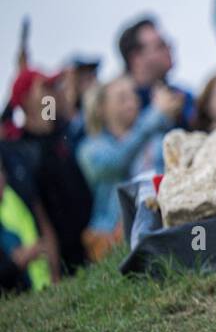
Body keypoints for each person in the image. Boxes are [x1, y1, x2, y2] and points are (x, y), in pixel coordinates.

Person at [77, 76, 183, 254]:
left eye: (133, 95)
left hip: (157, 226)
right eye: (122, 98)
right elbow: (116, 162)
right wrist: (155, 115)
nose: (132, 101)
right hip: (107, 236)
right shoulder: (89, 149)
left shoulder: (155, 139)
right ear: (101, 108)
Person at [7, 68, 94, 275]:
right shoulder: (18, 151)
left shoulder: (61, 134)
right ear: (26, 99)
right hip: (60, 262)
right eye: (44, 87)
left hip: (90, 245)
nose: (52, 92)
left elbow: (53, 119)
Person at [117, 17, 196, 129]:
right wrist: (158, 113)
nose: (169, 48)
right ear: (136, 58)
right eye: (160, 46)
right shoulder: (114, 104)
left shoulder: (183, 96)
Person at [0, 160, 53, 292]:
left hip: (40, 288)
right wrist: (16, 263)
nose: (2, 178)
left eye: (1, 171)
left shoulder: (13, 198)